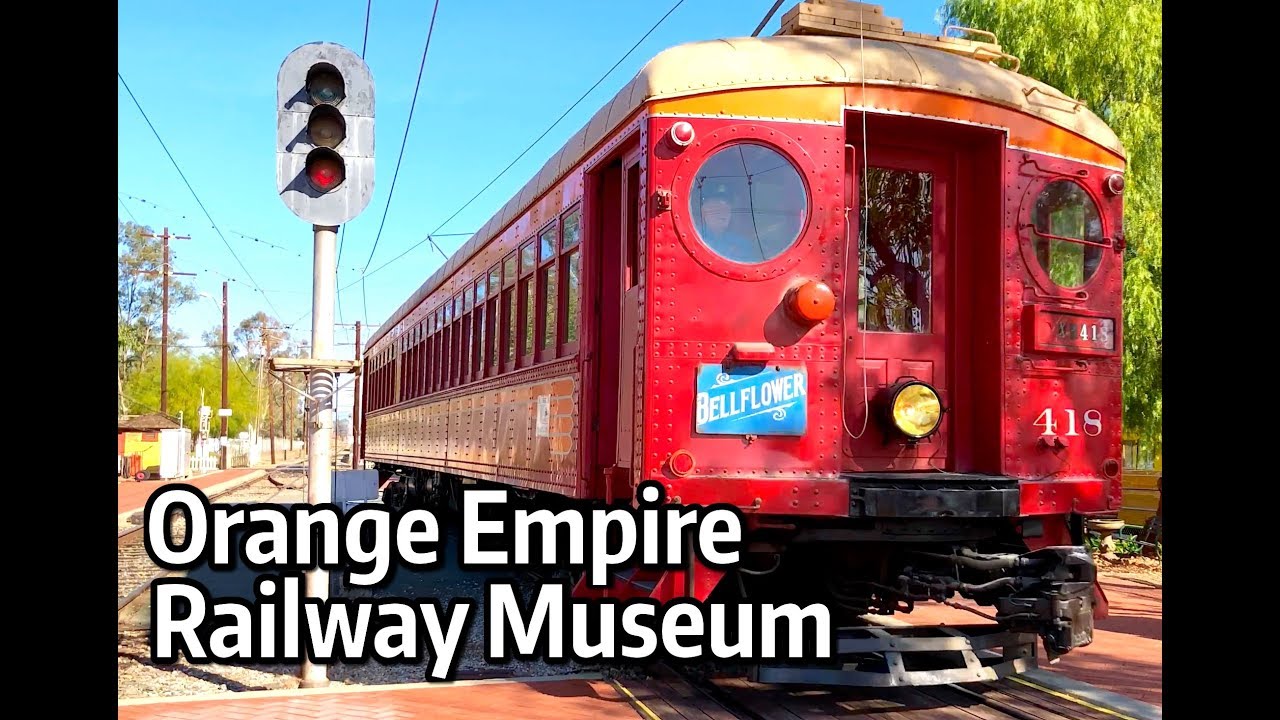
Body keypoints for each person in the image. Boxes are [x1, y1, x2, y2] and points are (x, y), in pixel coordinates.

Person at [696, 182, 763, 263]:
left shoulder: (742, 243)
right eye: (717, 208)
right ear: (704, 212)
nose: (723, 213)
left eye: (727, 208)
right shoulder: (695, 238)